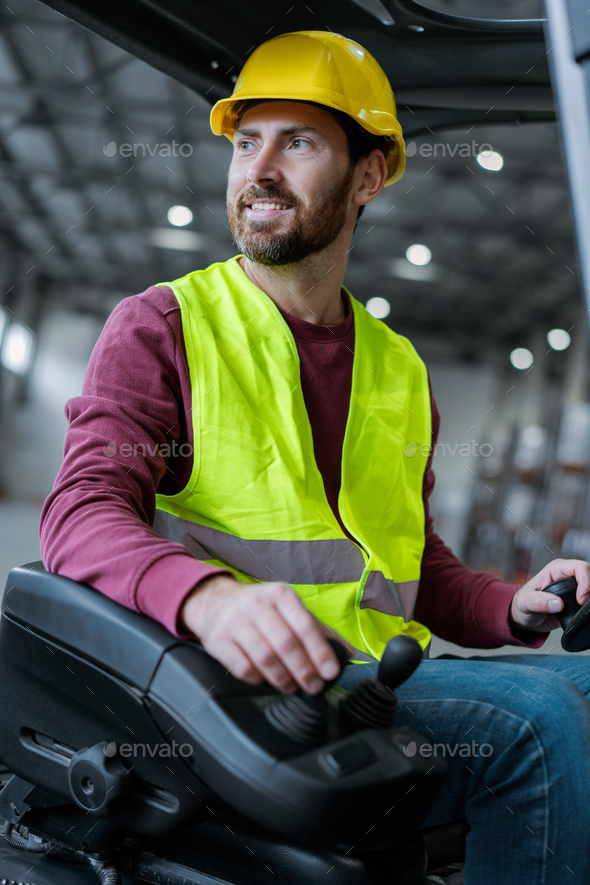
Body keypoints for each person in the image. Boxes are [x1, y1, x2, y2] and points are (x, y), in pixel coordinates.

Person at [40, 30, 590, 885]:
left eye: (297, 142)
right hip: (236, 693)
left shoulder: (399, 367)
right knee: (537, 719)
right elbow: (79, 515)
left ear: (367, 176)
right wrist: (211, 601)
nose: (259, 169)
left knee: (581, 692)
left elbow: (412, 561)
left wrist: (509, 605)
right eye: (246, 141)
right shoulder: (164, 325)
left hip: (375, 682)